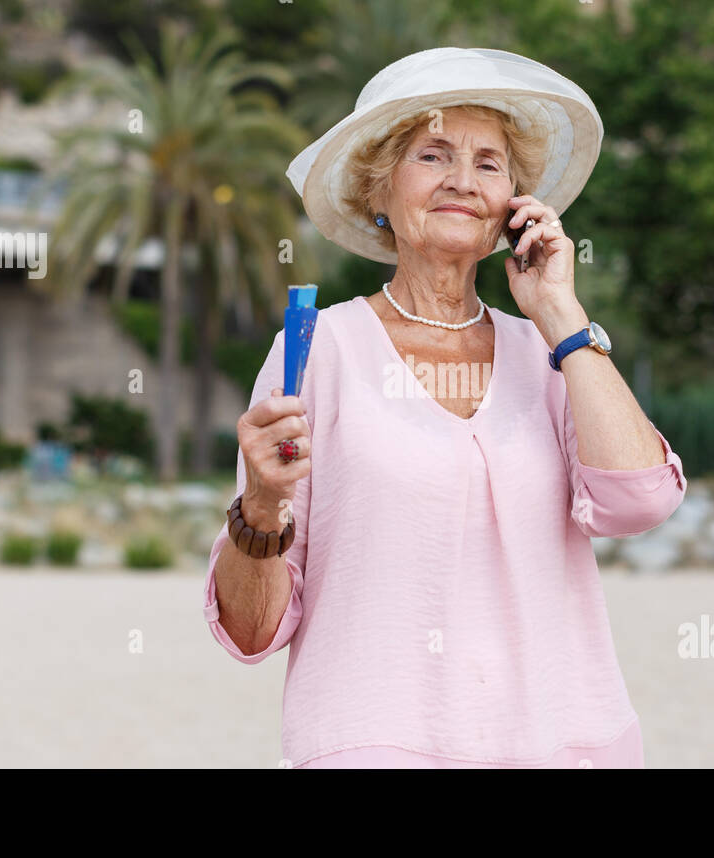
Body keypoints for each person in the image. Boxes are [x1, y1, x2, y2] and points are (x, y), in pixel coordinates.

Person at [202, 47, 687, 768]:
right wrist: (264, 507)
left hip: (565, 747)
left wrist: (561, 313)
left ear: (513, 208)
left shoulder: (551, 354)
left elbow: (640, 501)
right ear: (380, 190)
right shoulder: (318, 350)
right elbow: (250, 632)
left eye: (489, 164)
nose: (463, 181)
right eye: (433, 155)